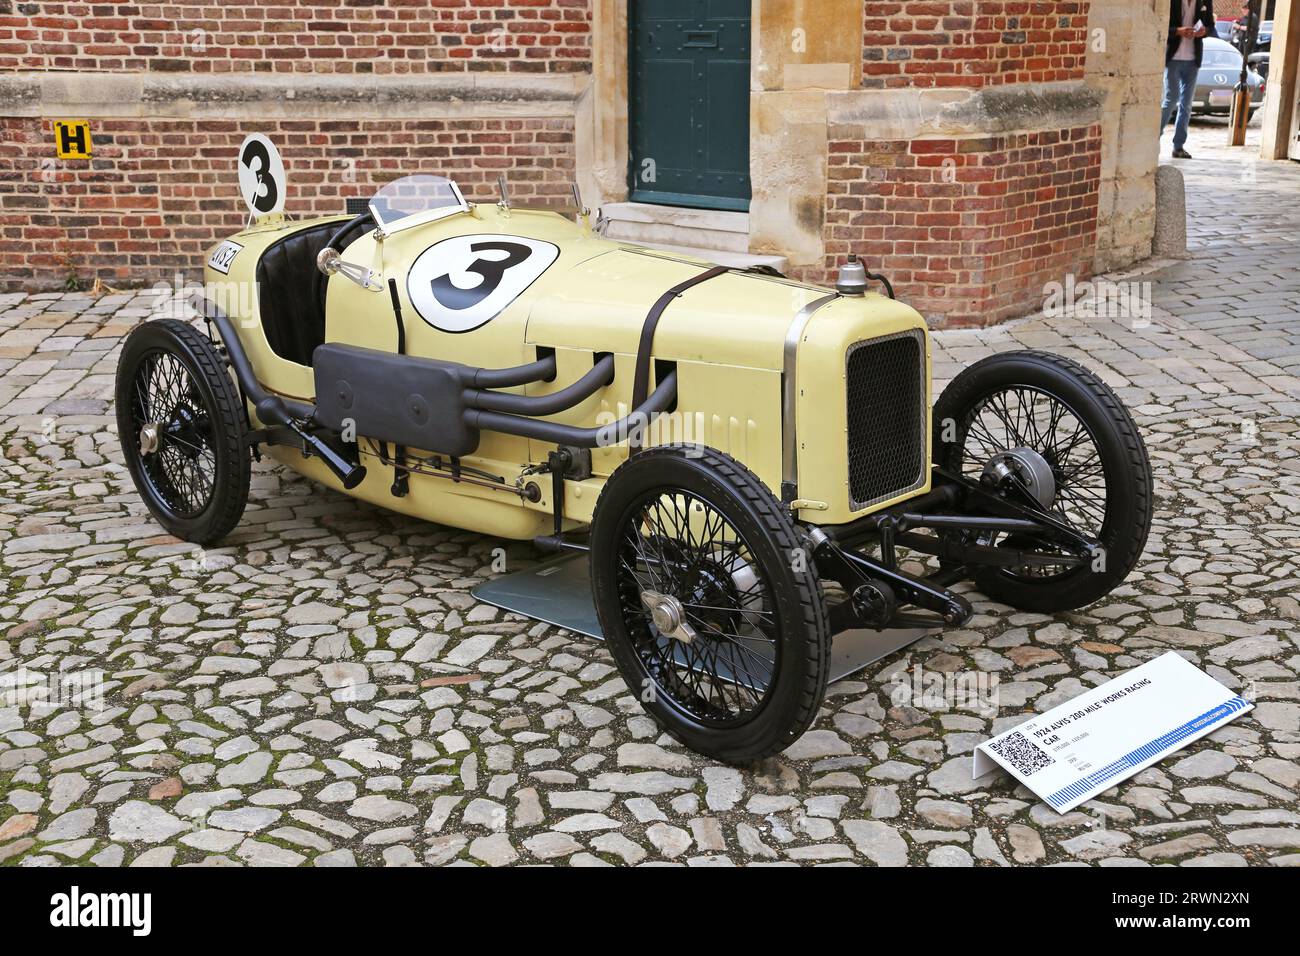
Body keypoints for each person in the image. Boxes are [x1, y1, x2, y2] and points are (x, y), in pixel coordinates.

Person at [1162, 0, 1218, 159]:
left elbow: (1211, 26)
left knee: (1186, 105)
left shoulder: (1205, 1)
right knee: (1171, 99)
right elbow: (1160, 26)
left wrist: (1204, 31)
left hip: (1193, 60)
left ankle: (1178, 147)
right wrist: (1178, 31)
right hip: (1173, 57)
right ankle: (1154, 138)